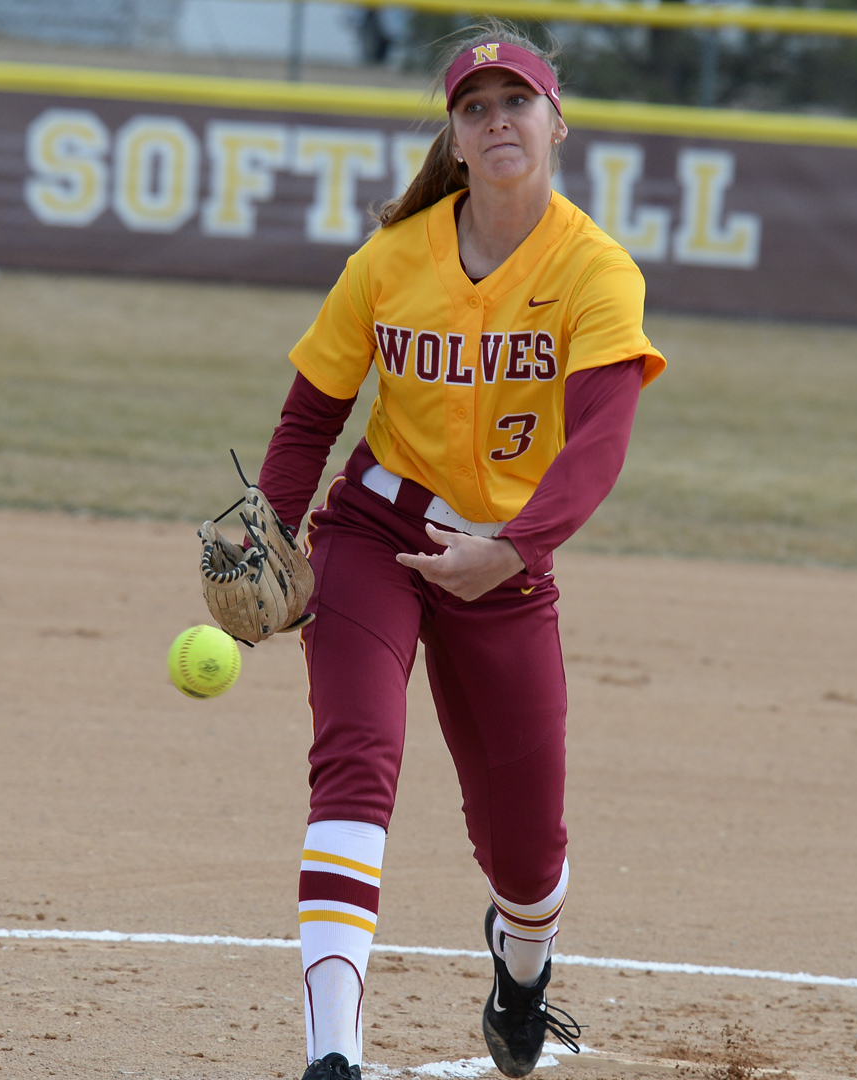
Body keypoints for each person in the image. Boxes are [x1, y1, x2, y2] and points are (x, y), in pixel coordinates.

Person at [251, 23, 667, 1080]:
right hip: (375, 533)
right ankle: (330, 1055)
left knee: (527, 859)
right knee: (355, 761)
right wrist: (270, 538)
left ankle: (521, 973)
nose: (496, 122)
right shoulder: (392, 261)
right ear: (455, 134)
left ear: (554, 122)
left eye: (514, 102)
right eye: (475, 108)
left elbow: (600, 443)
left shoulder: (593, 270)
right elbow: (311, 420)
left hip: (507, 567)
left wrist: (515, 548)